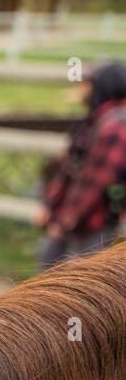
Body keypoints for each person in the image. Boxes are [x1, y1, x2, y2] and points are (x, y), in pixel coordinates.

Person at [37, 60, 126, 270]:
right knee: (51, 263)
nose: (82, 90)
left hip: (93, 222)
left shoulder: (115, 126)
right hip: (77, 219)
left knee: (79, 278)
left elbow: (95, 182)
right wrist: (51, 206)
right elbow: (70, 168)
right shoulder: (96, 121)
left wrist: (64, 222)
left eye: (87, 84)